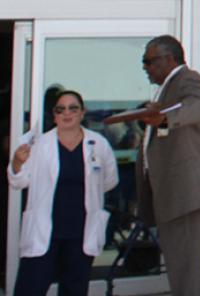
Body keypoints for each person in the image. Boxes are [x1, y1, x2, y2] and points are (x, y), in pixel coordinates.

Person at [137, 36, 200, 296]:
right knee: (182, 272)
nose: (144, 67)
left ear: (168, 60)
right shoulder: (168, 88)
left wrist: (166, 117)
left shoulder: (187, 80)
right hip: (174, 195)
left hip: (186, 195)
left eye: (148, 61)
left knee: (188, 272)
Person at [8, 90, 120, 296]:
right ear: (54, 114)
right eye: (61, 109)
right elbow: (19, 181)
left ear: (82, 112)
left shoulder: (99, 144)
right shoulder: (39, 144)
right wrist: (17, 163)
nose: (67, 113)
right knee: (30, 288)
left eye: (73, 108)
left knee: (74, 289)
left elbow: (109, 181)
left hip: (80, 232)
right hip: (45, 231)